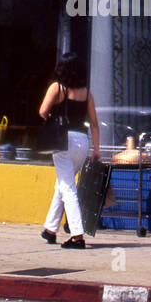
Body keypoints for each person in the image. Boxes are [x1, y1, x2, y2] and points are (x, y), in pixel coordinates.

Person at [38, 52, 100, 249]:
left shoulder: (57, 87)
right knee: (63, 183)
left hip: (63, 141)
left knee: (67, 188)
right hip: (82, 141)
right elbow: (94, 124)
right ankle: (50, 229)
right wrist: (96, 149)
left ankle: (77, 235)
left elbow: (42, 111)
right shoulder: (86, 92)